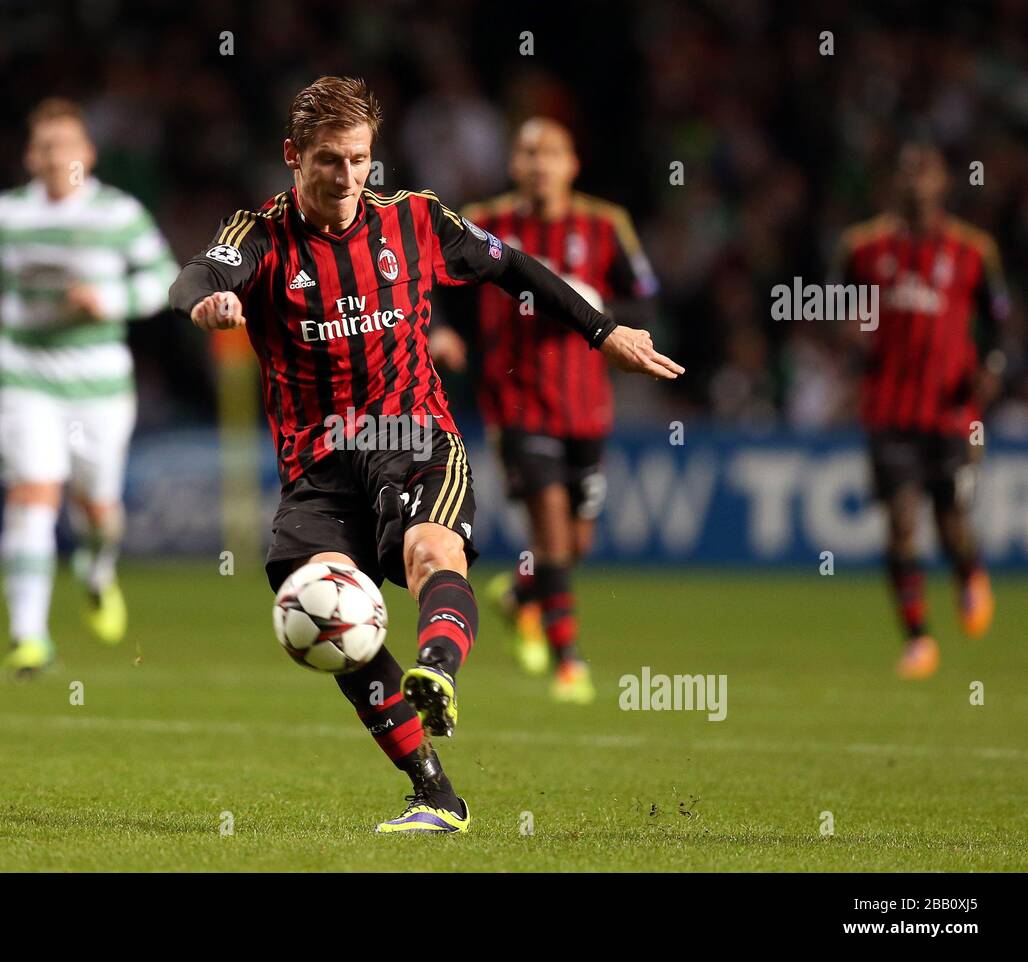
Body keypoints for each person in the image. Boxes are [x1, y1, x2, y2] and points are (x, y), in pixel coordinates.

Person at [169, 76, 681, 833]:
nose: (346, 180)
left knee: (431, 552)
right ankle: (435, 792)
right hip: (317, 465)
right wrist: (208, 303)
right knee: (333, 627)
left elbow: (516, 267)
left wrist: (606, 332)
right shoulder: (259, 232)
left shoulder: (415, 219)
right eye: (328, 162)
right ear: (292, 157)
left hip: (415, 436)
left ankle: (437, 669)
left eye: (358, 160)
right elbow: (197, 274)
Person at [0, 97, 177, 675]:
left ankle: (96, 570)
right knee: (32, 498)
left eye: (66, 144)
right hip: (26, 376)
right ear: (30, 156)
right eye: (45, 146)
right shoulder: (8, 213)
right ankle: (29, 636)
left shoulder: (118, 214)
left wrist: (110, 299)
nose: (55, 155)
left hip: (99, 382)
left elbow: (167, 280)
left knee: (98, 510)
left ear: (87, 153)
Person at [431, 117, 659, 703]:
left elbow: (646, 292)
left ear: (572, 164)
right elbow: (434, 284)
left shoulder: (606, 225)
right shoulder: (485, 222)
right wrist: (442, 331)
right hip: (516, 400)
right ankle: (569, 659)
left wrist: (604, 309)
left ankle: (518, 597)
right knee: (551, 526)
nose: (539, 164)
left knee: (575, 545)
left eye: (550, 152)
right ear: (513, 163)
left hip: (586, 404)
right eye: (528, 152)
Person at [832, 141, 1011, 680]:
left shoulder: (973, 250)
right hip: (888, 409)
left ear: (942, 183)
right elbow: (841, 309)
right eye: (906, 173)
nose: (915, 183)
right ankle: (917, 638)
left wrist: (993, 369)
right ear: (894, 183)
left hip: (952, 411)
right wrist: (849, 335)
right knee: (901, 524)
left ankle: (969, 573)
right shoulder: (863, 246)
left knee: (951, 519)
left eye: (925, 173)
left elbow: (998, 321)